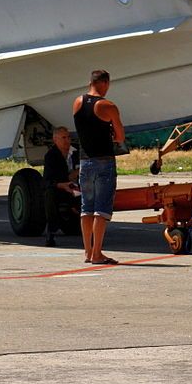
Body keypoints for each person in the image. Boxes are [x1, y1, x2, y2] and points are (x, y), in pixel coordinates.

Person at [72, 69, 123, 265]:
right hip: (104, 161)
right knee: (101, 209)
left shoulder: (77, 102)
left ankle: (87, 251)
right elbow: (120, 137)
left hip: (85, 161)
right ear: (105, 83)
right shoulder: (108, 106)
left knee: (86, 207)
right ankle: (97, 253)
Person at [42, 126, 79, 247]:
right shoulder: (51, 156)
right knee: (50, 194)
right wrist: (63, 184)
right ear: (55, 140)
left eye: (68, 137)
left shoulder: (76, 153)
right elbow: (48, 180)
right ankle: (51, 231)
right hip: (62, 188)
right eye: (63, 138)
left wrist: (78, 173)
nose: (67, 140)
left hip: (78, 188)